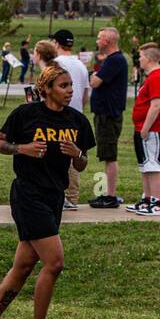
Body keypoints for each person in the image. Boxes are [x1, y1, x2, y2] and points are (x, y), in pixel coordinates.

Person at [0, 55, 94, 319]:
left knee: (24, 265)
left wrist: (77, 153)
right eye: (63, 85)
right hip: (28, 194)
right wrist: (22, 149)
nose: (70, 90)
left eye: (71, 86)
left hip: (55, 197)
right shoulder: (26, 115)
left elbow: (82, 163)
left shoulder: (77, 121)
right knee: (54, 263)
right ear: (47, 88)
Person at [126, 43, 160, 216]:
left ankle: (157, 202)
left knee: (153, 165)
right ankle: (147, 199)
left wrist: (145, 128)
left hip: (153, 129)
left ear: (150, 58)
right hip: (143, 128)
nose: (139, 60)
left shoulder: (158, 76)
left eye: (141, 57)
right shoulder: (152, 76)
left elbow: (156, 104)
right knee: (145, 166)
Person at [88, 27, 128, 209]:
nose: (97, 41)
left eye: (99, 38)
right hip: (105, 114)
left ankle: (110, 196)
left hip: (109, 115)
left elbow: (95, 82)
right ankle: (106, 194)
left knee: (110, 155)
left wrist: (94, 75)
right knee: (106, 155)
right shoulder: (112, 60)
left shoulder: (115, 60)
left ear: (108, 41)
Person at [52, 29, 91, 210]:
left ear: (56, 43)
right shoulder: (81, 65)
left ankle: (58, 196)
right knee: (75, 157)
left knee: (56, 156)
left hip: (58, 115)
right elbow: (85, 95)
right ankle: (72, 198)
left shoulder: (56, 63)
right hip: (77, 116)